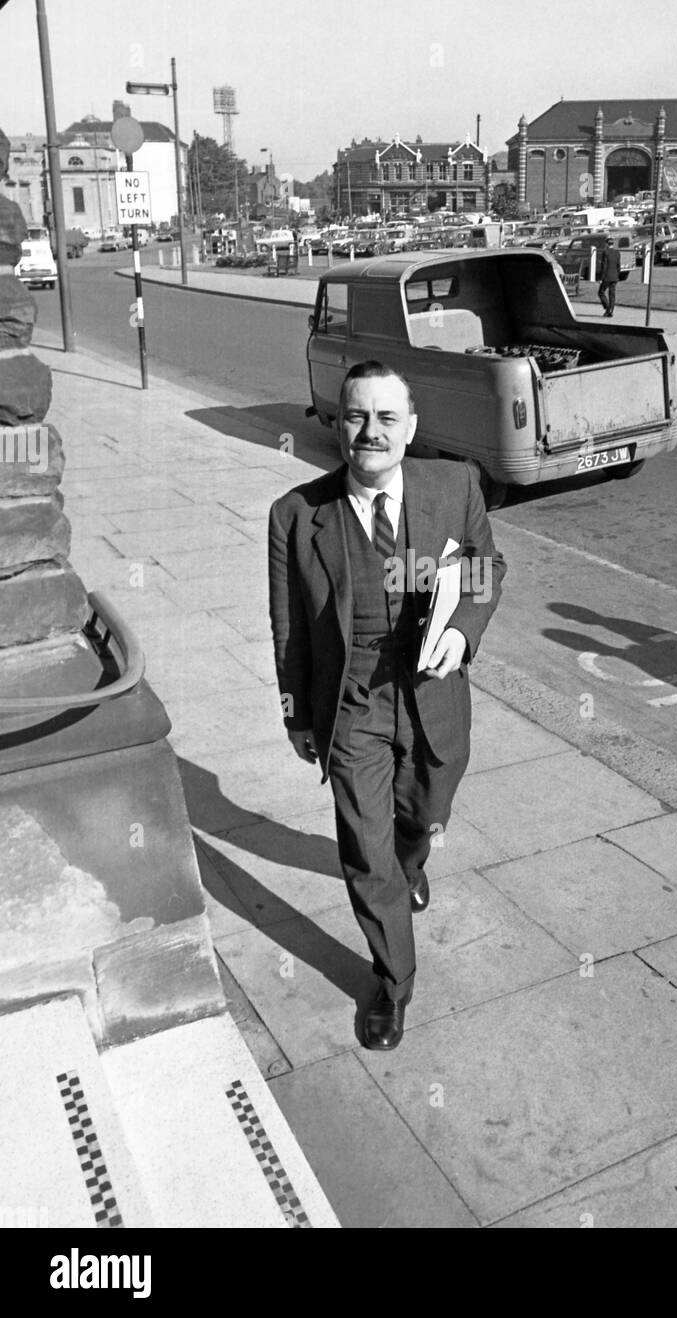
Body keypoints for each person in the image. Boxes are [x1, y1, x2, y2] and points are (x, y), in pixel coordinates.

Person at [268, 362, 506, 1050]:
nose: (369, 432)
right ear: (338, 423)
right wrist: (297, 714)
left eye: (386, 418)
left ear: (411, 429)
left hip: (433, 693)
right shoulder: (296, 515)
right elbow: (288, 625)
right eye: (354, 416)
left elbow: (488, 567)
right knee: (366, 854)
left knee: (425, 813)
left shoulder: (454, 484)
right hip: (351, 708)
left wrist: (462, 632)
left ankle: (415, 856)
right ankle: (394, 983)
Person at [598, 237, 622, 317]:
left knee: (601, 292)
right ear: (613, 244)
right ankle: (611, 309)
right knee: (612, 294)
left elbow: (604, 266)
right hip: (615, 276)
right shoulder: (617, 253)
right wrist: (617, 275)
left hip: (607, 276)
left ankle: (608, 308)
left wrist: (601, 278)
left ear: (606, 244)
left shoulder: (606, 252)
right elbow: (618, 266)